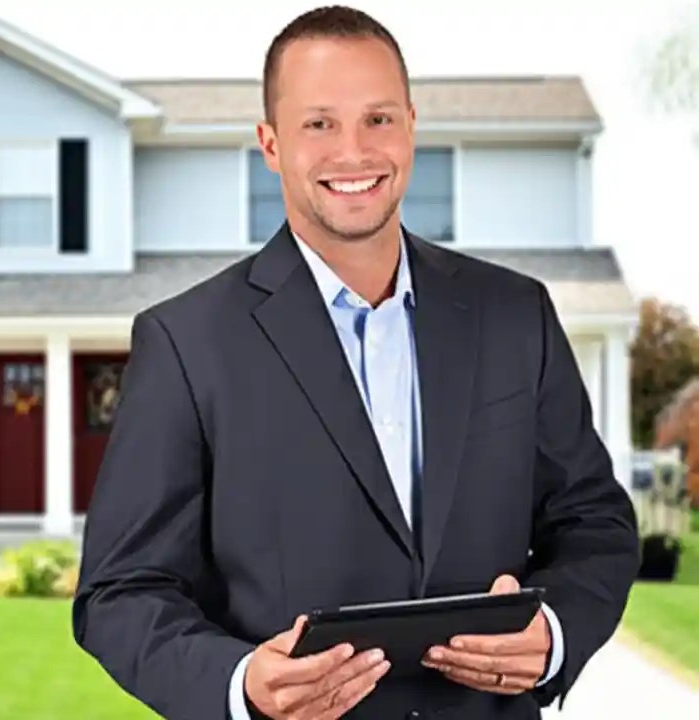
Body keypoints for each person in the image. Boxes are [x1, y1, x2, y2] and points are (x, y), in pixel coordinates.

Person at [71, 5, 640, 719]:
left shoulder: (515, 315)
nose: (354, 151)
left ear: (411, 125)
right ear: (271, 143)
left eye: (378, 119)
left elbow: (594, 522)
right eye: (319, 123)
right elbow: (119, 592)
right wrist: (239, 682)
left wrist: (555, 633)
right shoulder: (187, 343)